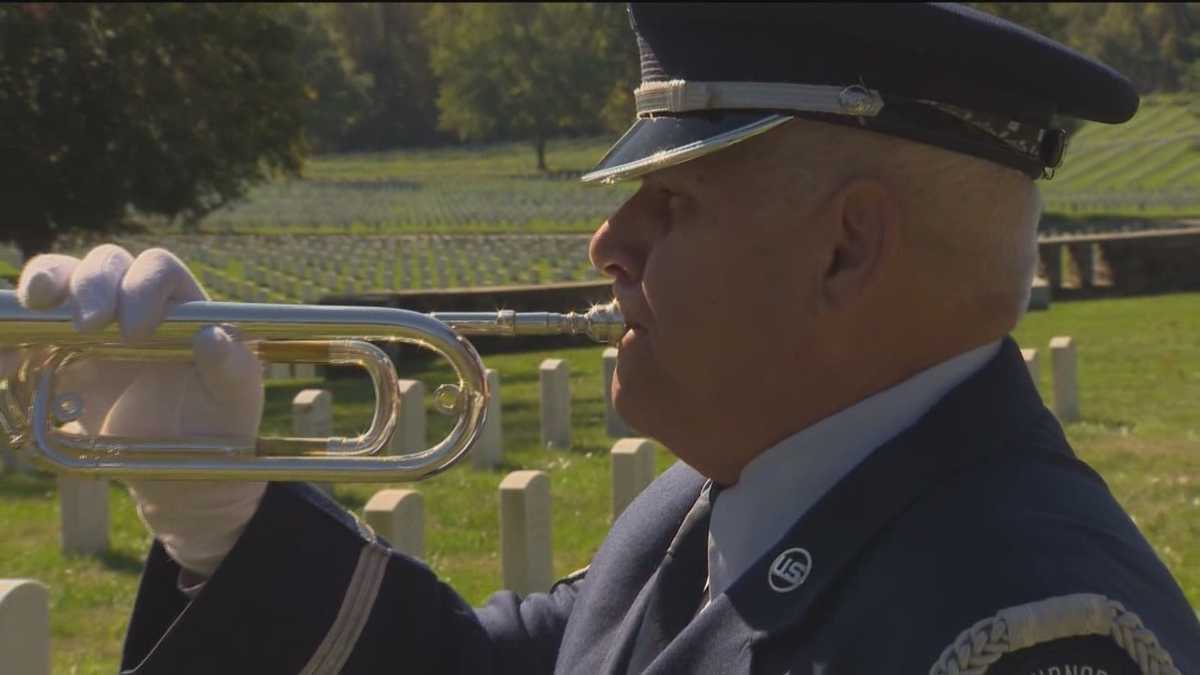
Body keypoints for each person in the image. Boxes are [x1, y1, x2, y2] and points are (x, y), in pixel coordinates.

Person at [8, 3, 1200, 673]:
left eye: (671, 202)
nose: (607, 242)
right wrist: (220, 517)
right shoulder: (700, 510)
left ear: (846, 249)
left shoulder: (1033, 631)